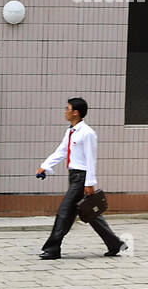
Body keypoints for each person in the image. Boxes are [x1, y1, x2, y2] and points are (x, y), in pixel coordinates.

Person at [35, 97, 127, 260]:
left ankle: (52, 248)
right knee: (90, 212)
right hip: (74, 176)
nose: (65, 111)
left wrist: (89, 183)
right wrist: (46, 165)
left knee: (64, 212)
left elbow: (91, 159)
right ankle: (115, 244)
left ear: (75, 113)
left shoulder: (87, 133)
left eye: (67, 109)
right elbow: (62, 151)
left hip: (81, 178)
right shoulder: (70, 131)